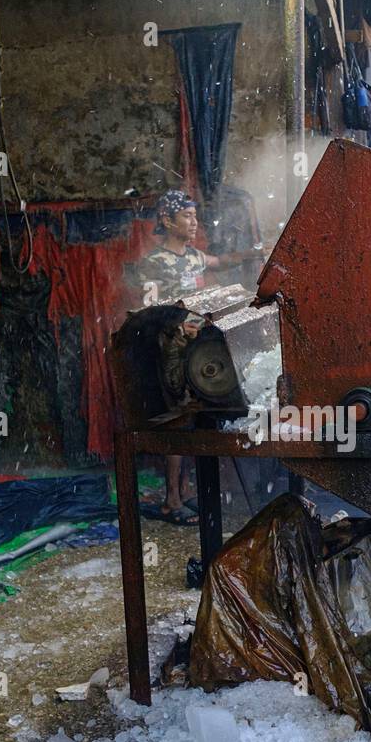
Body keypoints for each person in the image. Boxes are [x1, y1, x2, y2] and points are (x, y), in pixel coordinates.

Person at [132, 189, 259, 525]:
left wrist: (254, 253)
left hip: (197, 347)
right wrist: (184, 321)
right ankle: (171, 501)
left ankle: (185, 491)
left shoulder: (193, 256)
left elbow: (219, 262)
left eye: (194, 216)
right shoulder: (153, 263)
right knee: (176, 415)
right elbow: (151, 309)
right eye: (186, 216)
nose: (194, 222)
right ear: (167, 220)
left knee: (193, 414)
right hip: (173, 347)